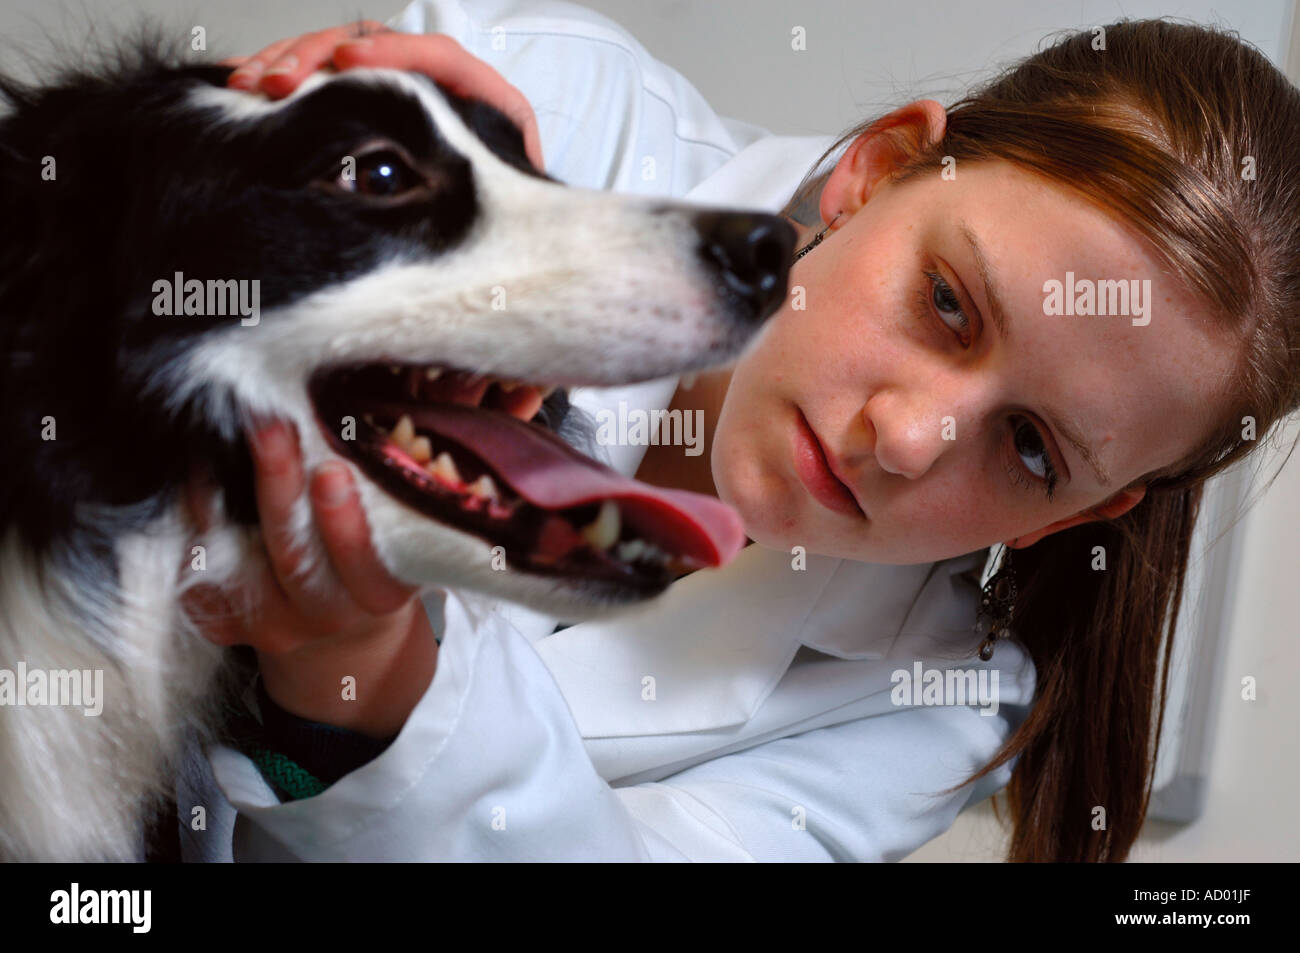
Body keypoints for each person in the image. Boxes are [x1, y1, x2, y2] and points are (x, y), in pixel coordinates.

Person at [176, 0, 1300, 862]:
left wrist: (359, 672)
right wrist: (329, 175)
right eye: (948, 303)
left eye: (1030, 448)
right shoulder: (548, 104)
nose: (904, 439)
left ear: (1087, 513)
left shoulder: (933, 705)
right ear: (878, 172)